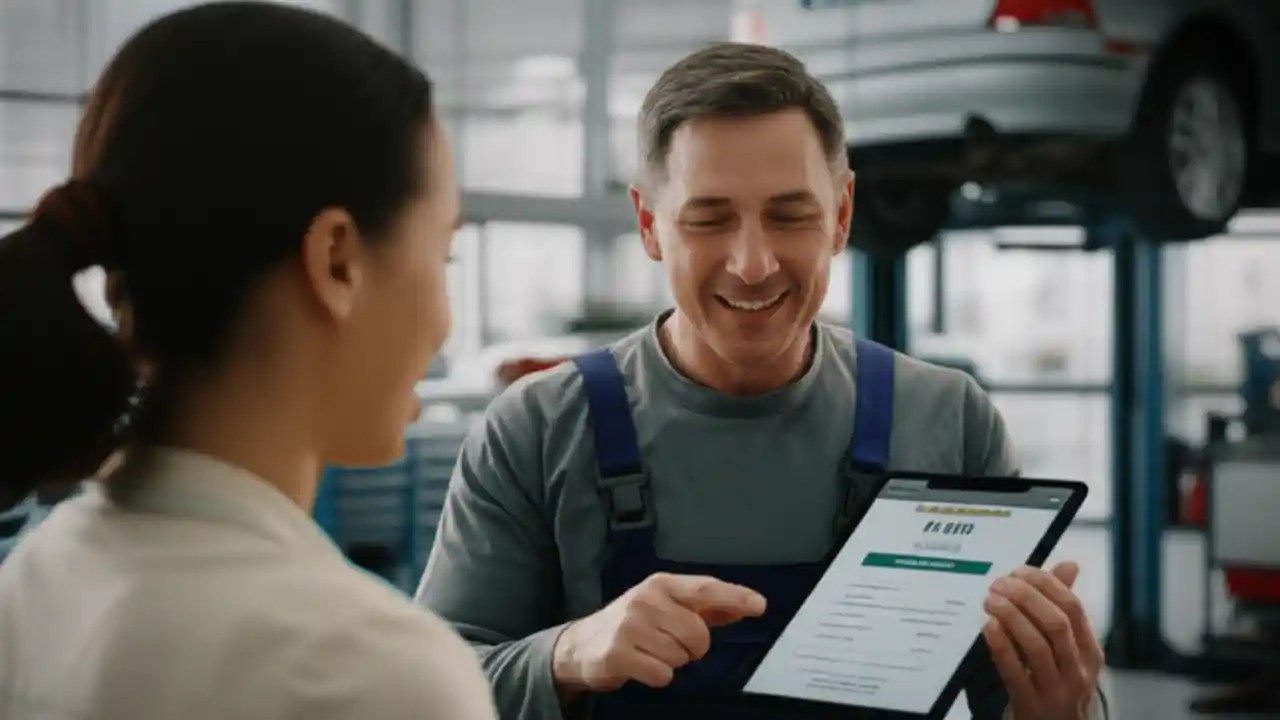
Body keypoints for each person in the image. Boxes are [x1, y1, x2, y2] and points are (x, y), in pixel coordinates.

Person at [417, 42, 1108, 720]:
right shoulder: (536, 430)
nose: (753, 264)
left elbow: (1017, 699)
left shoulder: (949, 421)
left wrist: (1063, 711)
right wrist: (567, 654)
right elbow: (425, 693)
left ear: (841, 215)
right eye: (709, 219)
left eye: (790, 215)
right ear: (650, 224)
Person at [0, 3, 494, 719]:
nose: (444, 323)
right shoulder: (370, 670)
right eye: (442, 254)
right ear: (338, 261)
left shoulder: (35, 580)